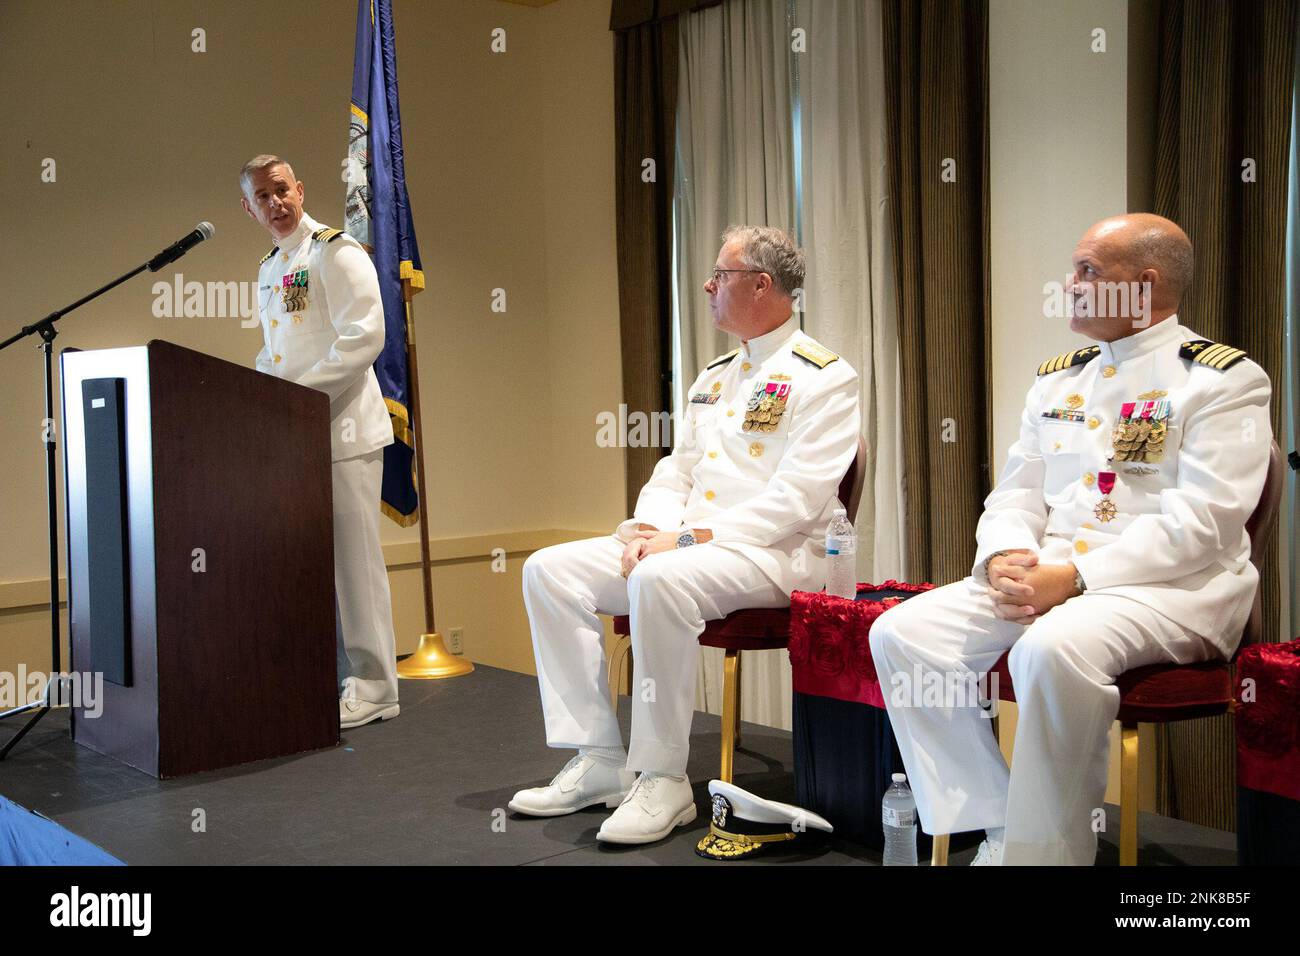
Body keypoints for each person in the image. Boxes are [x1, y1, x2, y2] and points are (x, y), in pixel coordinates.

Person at [869, 213, 1273, 865]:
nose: (1071, 285)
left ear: (1143, 285)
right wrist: (1003, 555)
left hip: (1171, 590)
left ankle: (1049, 855)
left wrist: (1076, 576)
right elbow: (1018, 492)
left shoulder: (1221, 381)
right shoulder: (1059, 379)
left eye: (1089, 271)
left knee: (1050, 649)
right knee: (903, 635)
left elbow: (1203, 525)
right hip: (1054, 578)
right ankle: (1002, 827)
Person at [510, 226, 861, 844]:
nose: (708, 286)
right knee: (547, 568)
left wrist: (687, 540)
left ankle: (663, 777)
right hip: (691, 548)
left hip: (776, 557)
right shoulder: (716, 374)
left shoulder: (826, 377)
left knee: (659, 575)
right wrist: (649, 527)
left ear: (761, 284)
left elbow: (796, 501)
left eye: (720, 276)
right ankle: (597, 758)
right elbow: (677, 469)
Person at [240, 154, 400, 729]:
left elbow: (365, 336)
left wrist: (298, 400)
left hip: (343, 431)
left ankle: (378, 684)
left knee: (355, 565)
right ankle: (333, 677)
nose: (275, 202)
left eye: (282, 189)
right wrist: (259, 399)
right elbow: (274, 351)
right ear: (249, 207)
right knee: (311, 562)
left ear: (300, 190)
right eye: (262, 196)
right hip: (295, 432)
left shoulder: (337, 251)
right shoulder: (268, 267)